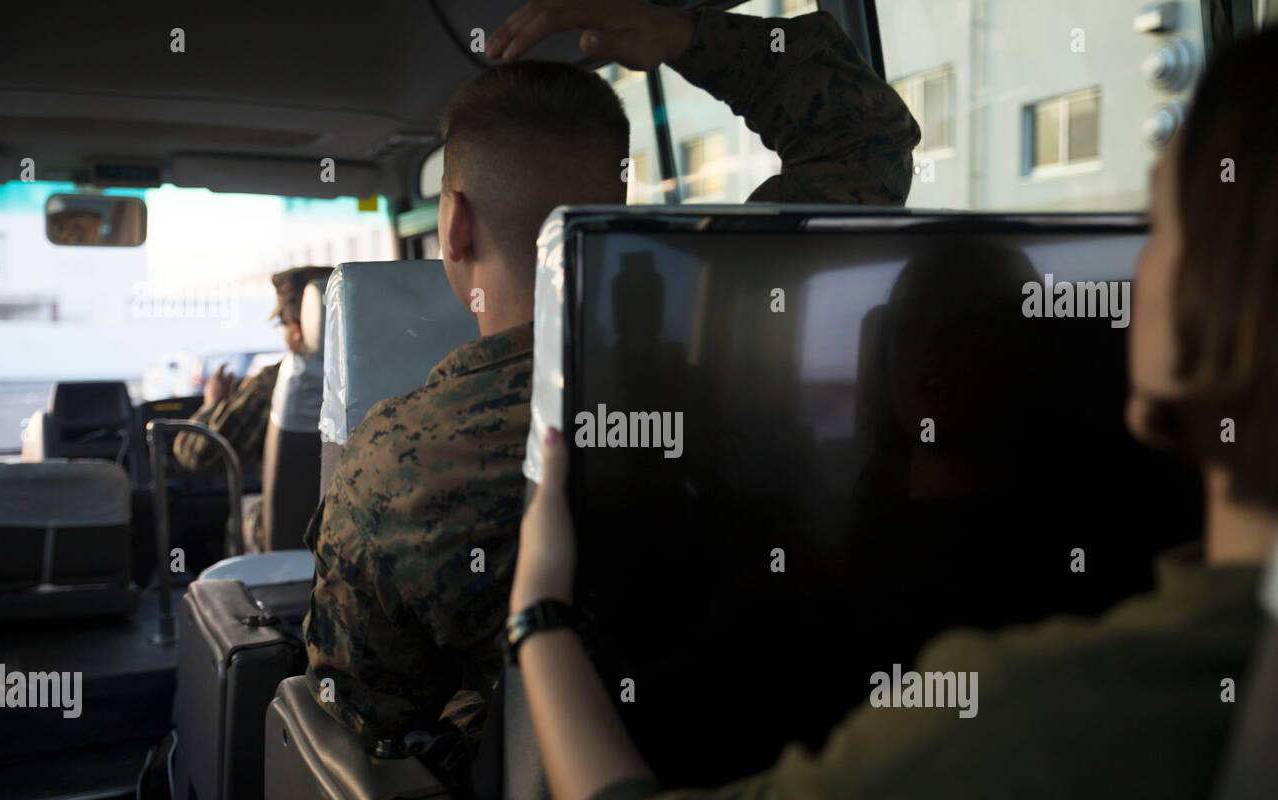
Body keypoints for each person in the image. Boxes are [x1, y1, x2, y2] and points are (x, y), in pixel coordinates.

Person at [507, 26, 1278, 800]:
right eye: (918, 330)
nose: (942, 355)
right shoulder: (814, 549)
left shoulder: (1025, 710)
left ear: (1219, 303)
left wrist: (538, 609)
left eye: (1157, 227)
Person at [302, 0, 920, 753]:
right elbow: (863, 136)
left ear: (455, 226)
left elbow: (366, 720)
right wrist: (687, 35)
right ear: (614, 208)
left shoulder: (388, 467)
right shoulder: (748, 359)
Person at [173, 265, 332, 551]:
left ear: (297, 326)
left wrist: (215, 405)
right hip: (368, 536)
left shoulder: (274, 384)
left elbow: (194, 452)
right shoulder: (395, 372)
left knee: (245, 512)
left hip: (296, 541)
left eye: (281, 324)